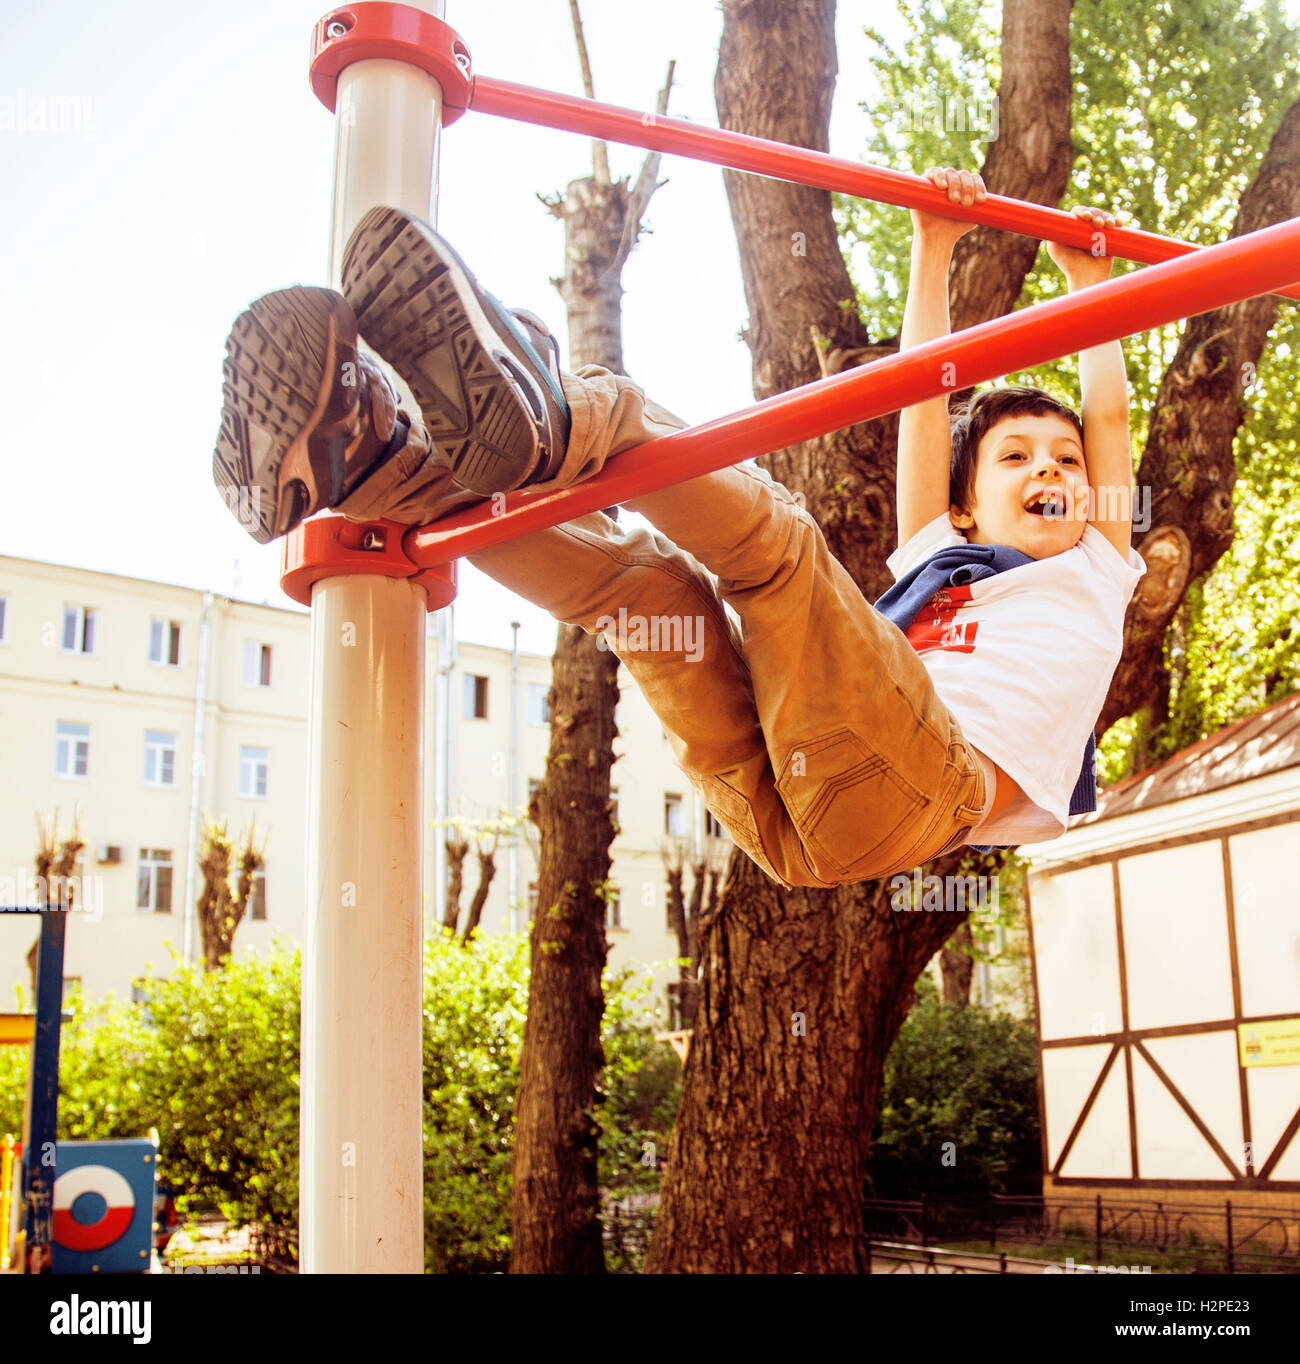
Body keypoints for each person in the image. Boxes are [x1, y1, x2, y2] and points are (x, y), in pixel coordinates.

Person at [212, 167, 1145, 889]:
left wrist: (1091, 288)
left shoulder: (1095, 568)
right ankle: (386, 468)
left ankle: (565, 420)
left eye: (1063, 461)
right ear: (963, 504)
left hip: (918, 789)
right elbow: (926, 394)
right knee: (649, 595)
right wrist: (932, 249)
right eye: (1016, 457)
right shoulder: (942, 552)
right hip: (798, 820)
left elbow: (1107, 419)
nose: (1053, 472)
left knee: (778, 556)